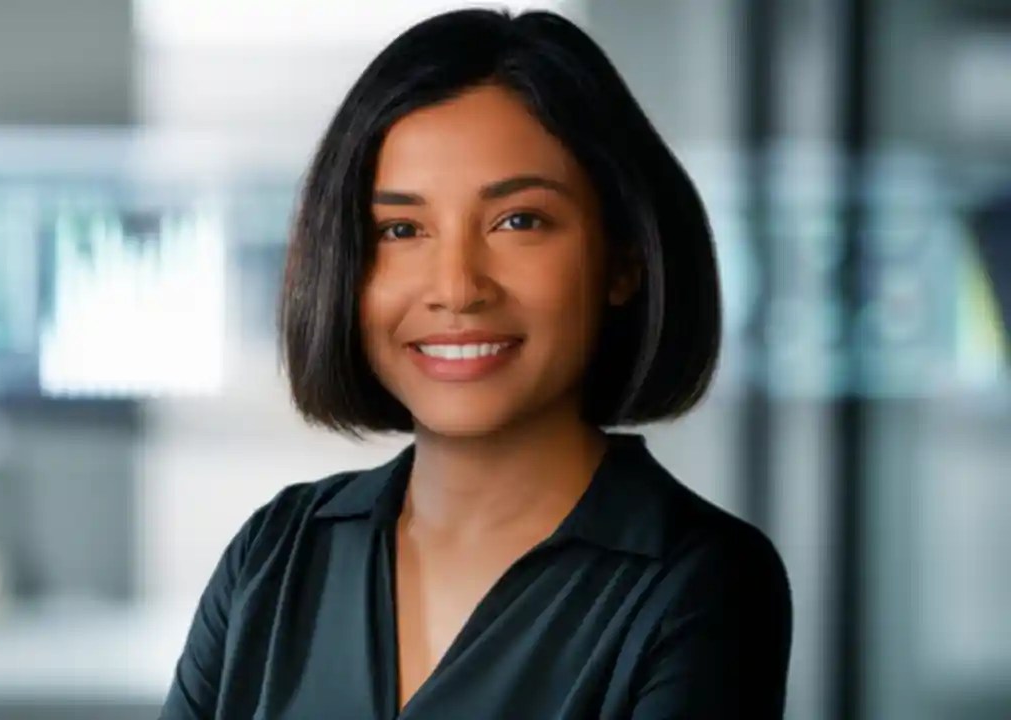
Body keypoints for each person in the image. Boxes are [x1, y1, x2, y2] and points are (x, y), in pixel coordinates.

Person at [159, 8, 792, 719]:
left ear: (624, 260)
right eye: (402, 229)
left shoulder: (699, 580)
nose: (457, 288)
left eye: (518, 221)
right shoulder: (276, 555)